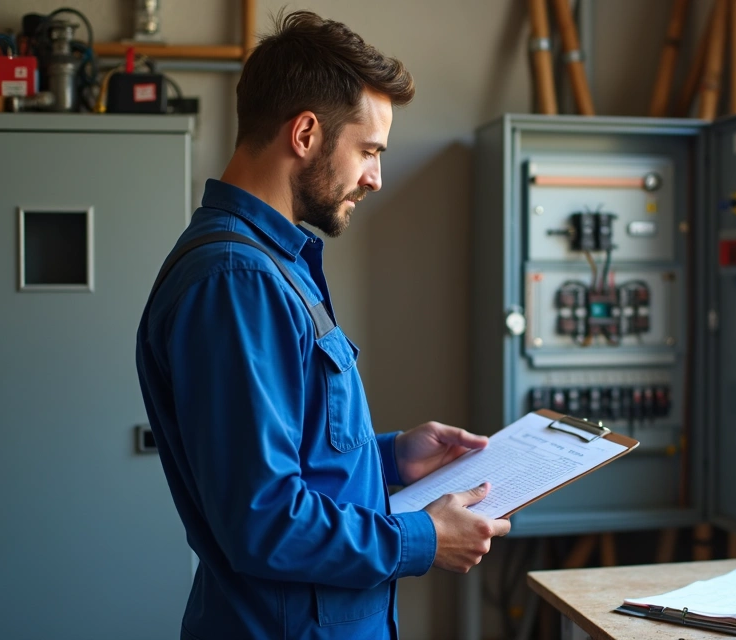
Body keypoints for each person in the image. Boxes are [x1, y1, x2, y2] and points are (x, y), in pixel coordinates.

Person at [135, 10, 510, 640]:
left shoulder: (273, 263)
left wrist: (389, 457)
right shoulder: (237, 280)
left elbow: (291, 450)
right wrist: (424, 537)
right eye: (368, 151)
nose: (376, 177)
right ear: (306, 133)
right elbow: (265, 519)